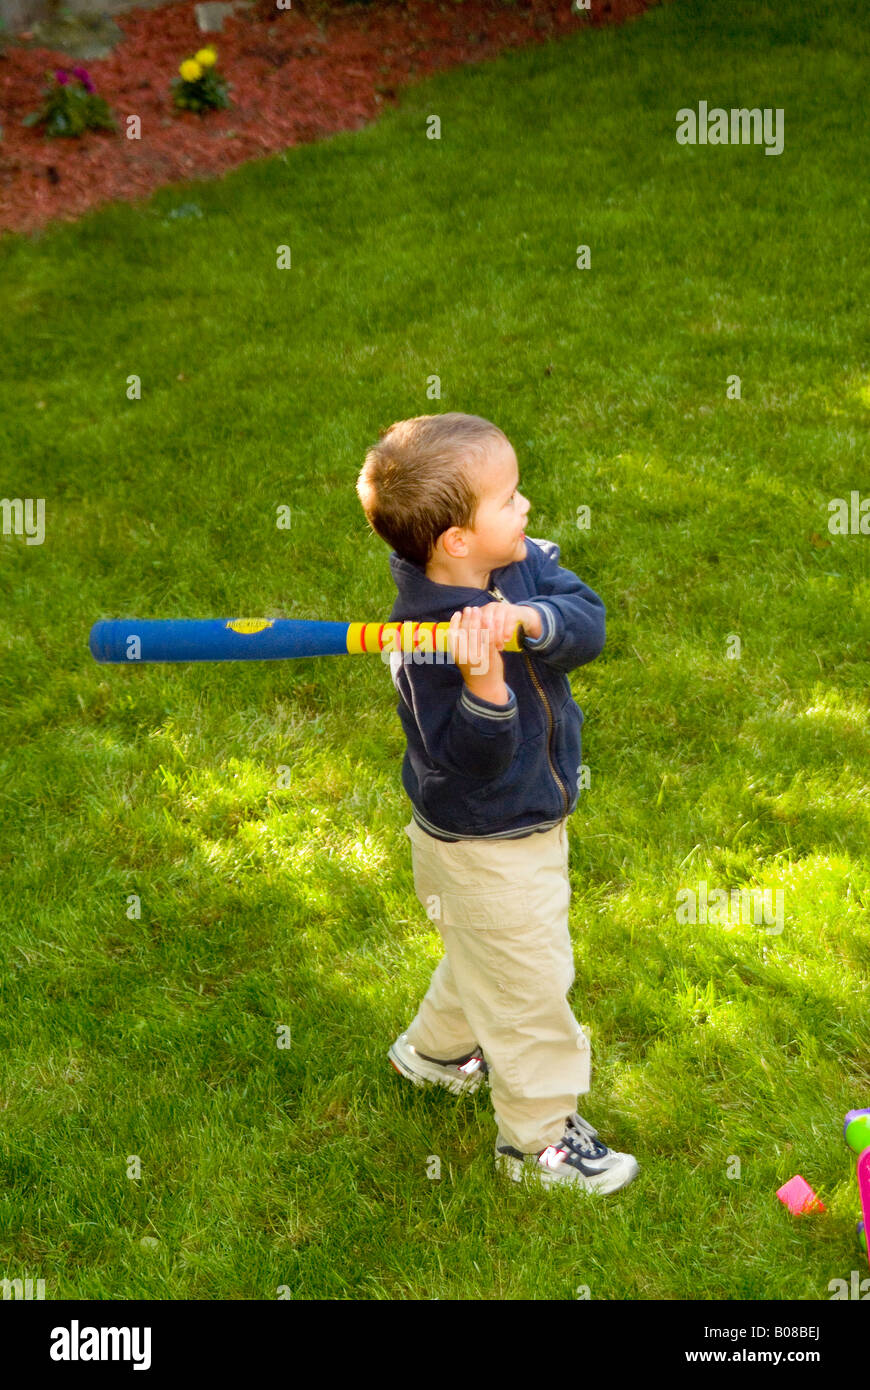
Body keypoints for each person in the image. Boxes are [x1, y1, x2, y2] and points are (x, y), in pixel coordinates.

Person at [355, 411, 638, 1193]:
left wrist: (529, 621)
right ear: (456, 540)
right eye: (509, 498)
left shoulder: (520, 568)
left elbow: (587, 622)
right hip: (482, 845)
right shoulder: (422, 644)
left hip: (524, 830)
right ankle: (538, 1143)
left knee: (490, 961)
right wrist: (485, 687)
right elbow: (471, 763)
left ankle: (435, 1056)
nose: (527, 508)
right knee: (530, 989)